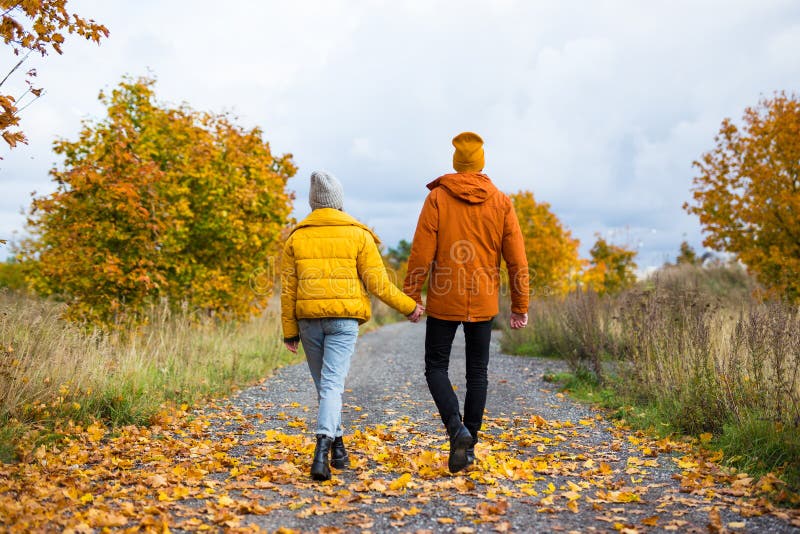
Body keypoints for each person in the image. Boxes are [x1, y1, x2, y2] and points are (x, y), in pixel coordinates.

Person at [281, 171, 424, 481]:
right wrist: (410, 307)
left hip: (308, 321)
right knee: (330, 386)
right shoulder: (359, 235)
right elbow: (378, 283)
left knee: (326, 387)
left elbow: (288, 289)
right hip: (344, 320)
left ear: (313, 202)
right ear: (338, 201)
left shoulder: (296, 237)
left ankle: (339, 448)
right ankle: (323, 451)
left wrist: (289, 329)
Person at [404, 132, 529, 473]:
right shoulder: (501, 201)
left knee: (436, 367)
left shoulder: (438, 200)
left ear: (456, 163)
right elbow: (517, 260)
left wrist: (411, 296)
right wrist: (520, 305)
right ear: (481, 162)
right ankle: (469, 441)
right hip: (485, 300)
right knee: (477, 372)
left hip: (445, 297)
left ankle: (456, 430)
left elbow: (420, 254)